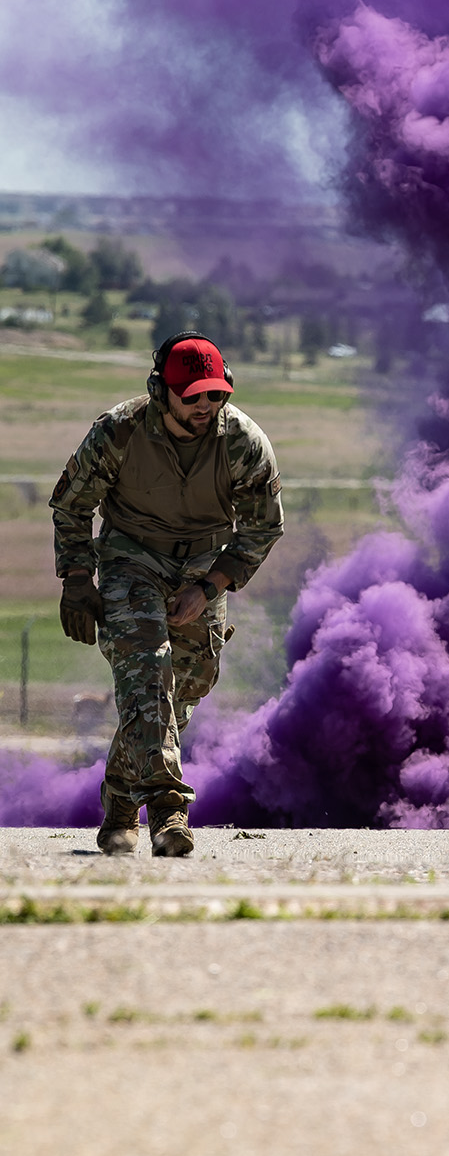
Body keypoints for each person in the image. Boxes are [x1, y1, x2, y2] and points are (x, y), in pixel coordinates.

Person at [52, 331, 285, 856]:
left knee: (180, 694)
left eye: (216, 393)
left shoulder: (243, 442)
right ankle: (167, 809)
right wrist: (76, 581)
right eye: (193, 395)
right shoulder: (119, 431)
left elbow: (263, 528)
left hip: (204, 564)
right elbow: (71, 506)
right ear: (161, 392)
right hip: (130, 559)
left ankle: (118, 800)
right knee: (148, 673)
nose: (206, 405)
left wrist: (208, 588)